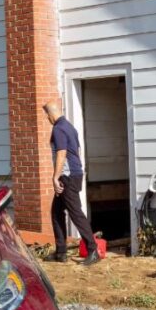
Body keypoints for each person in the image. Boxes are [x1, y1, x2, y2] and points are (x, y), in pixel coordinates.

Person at [43, 102, 100, 266]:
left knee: (75, 213)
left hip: (67, 177)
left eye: (47, 116)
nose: (47, 119)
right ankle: (61, 252)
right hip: (74, 174)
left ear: (50, 115)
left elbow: (61, 153)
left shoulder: (58, 129)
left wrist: (55, 177)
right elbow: (78, 151)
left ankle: (92, 249)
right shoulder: (70, 127)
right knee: (56, 212)